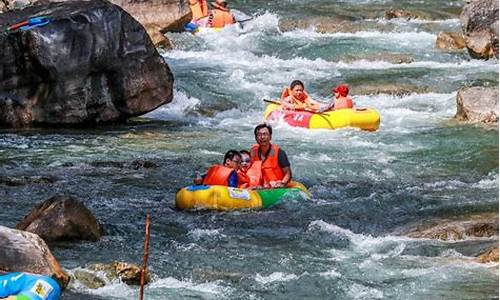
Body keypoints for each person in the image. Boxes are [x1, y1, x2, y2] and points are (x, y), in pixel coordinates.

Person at [247, 123, 292, 188]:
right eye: (259, 135)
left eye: (265, 134)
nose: (262, 137)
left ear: (270, 137)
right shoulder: (252, 152)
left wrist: (282, 184)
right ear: (255, 138)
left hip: (276, 187)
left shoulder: (279, 153)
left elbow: (288, 173)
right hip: (259, 187)